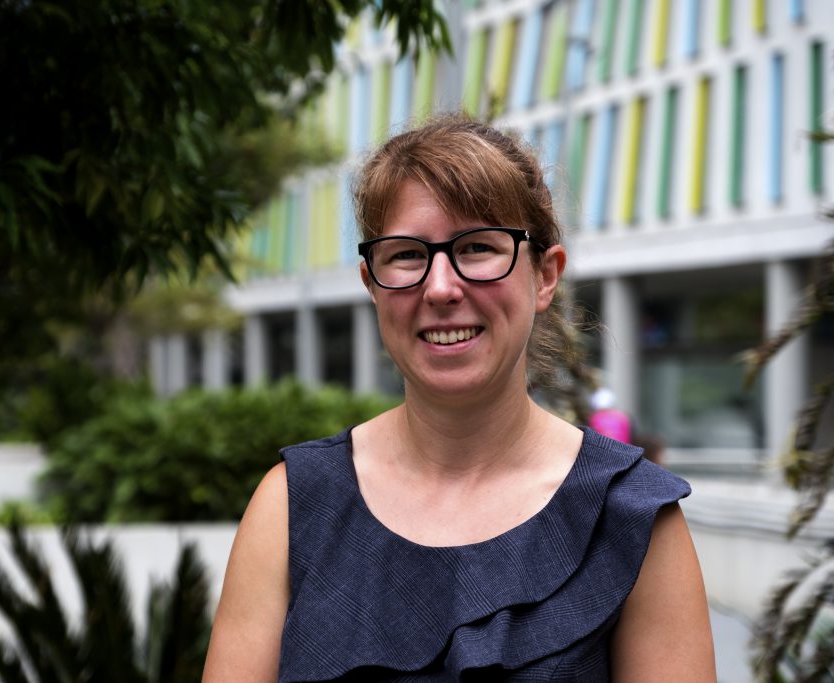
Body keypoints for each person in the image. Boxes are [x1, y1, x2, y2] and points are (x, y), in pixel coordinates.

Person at [203, 115, 715, 681]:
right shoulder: (293, 506)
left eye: (477, 248)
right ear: (371, 283)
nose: (442, 288)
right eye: (405, 255)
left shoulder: (632, 519)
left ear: (545, 276)